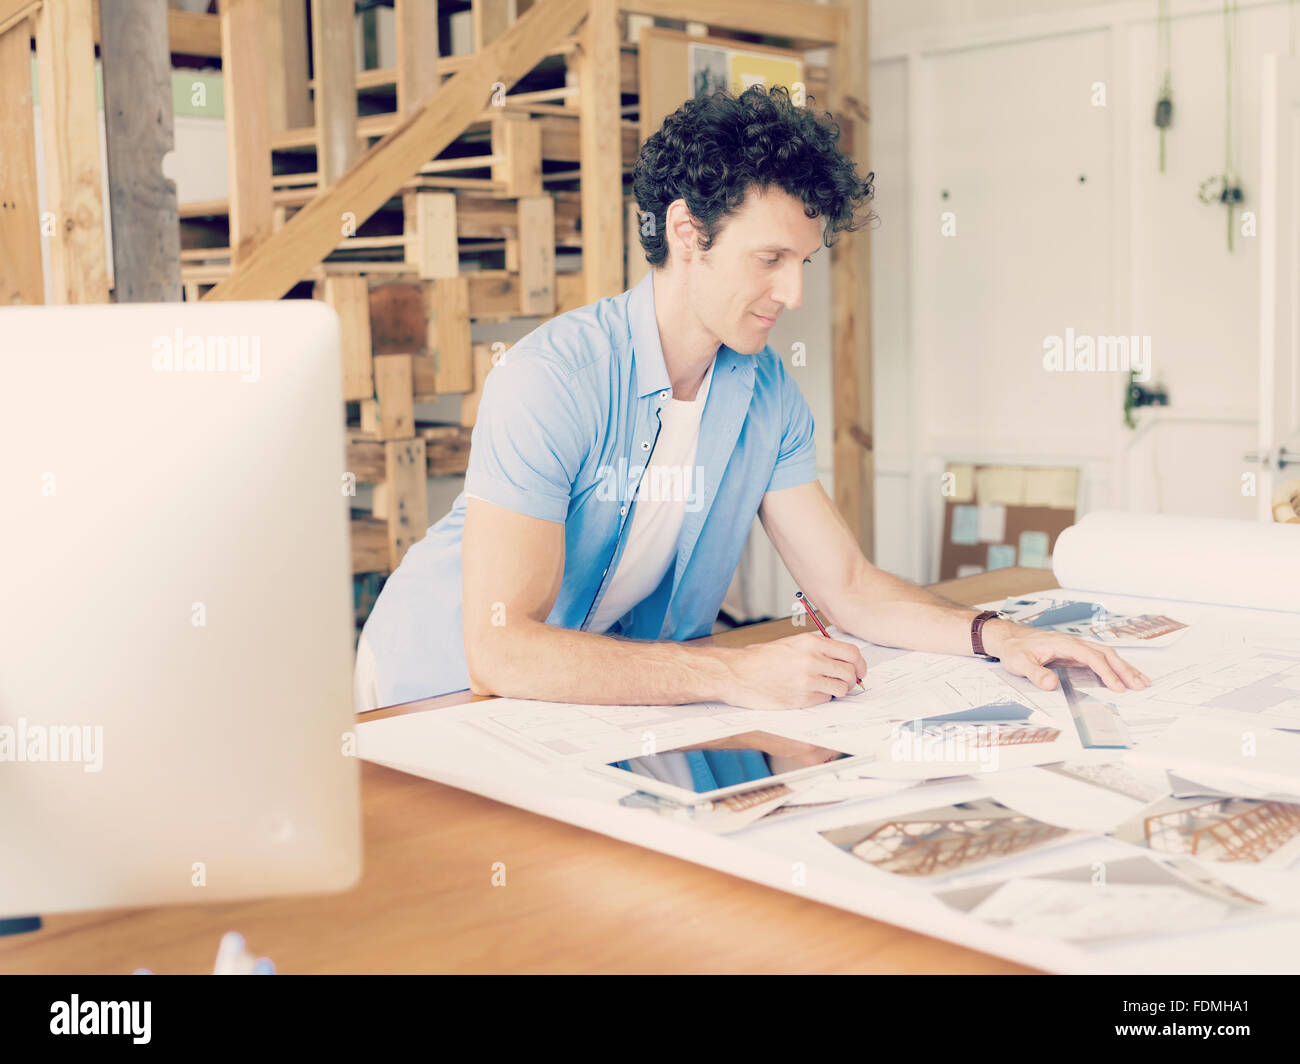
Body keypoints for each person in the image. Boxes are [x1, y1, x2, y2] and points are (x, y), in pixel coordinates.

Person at [354, 84, 1149, 713]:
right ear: (688, 235)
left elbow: (849, 588)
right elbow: (503, 651)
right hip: (435, 690)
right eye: (771, 258)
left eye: (803, 261)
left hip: (576, 699)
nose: (794, 291)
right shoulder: (552, 377)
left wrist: (997, 634)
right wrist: (729, 674)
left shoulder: (764, 392)